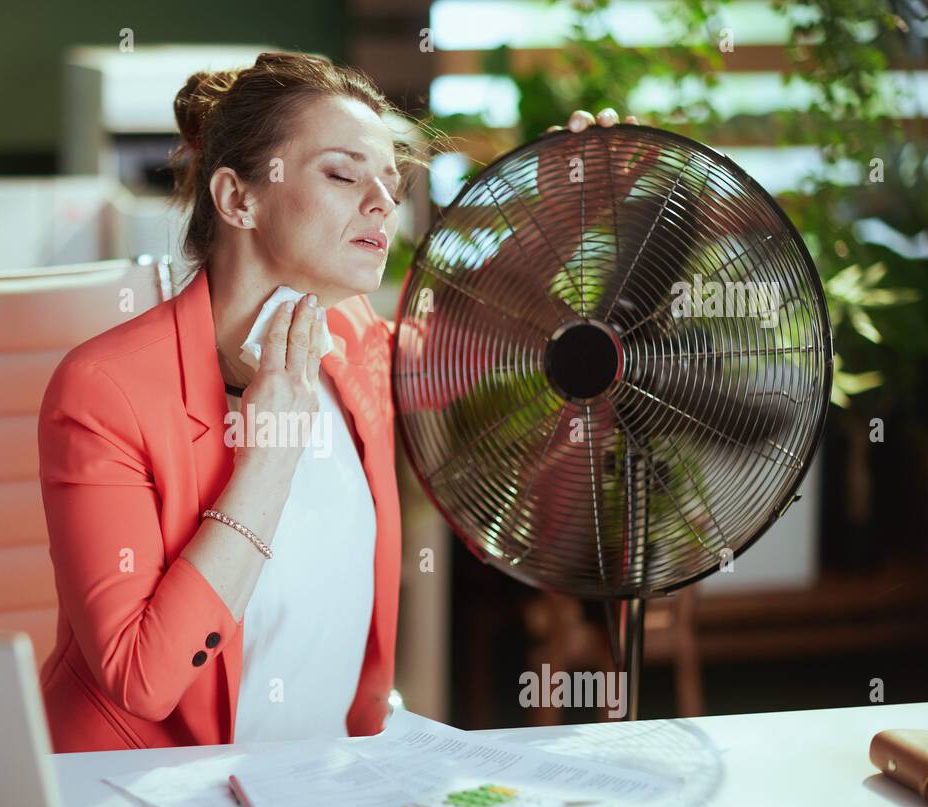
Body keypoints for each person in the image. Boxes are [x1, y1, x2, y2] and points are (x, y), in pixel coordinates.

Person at [37, 48, 632, 753]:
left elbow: (496, 334)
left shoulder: (352, 342)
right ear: (237, 199)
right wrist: (269, 460)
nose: (383, 201)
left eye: (392, 181)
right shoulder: (104, 392)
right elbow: (143, 679)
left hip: (321, 789)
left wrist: (567, 214)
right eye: (344, 174)